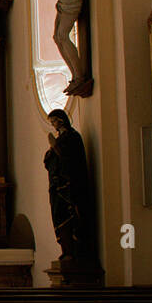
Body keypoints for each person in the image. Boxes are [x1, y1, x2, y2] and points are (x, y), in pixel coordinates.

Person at [44, 109, 99, 266]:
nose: (53, 125)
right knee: (58, 215)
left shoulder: (73, 137)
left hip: (69, 186)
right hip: (57, 186)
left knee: (70, 214)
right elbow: (50, 162)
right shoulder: (62, 138)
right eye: (51, 122)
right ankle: (66, 250)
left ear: (61, 120)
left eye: (54, 121)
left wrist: (55, 147)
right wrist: (51, 152)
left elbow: (71, 160)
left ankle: (75, 251)